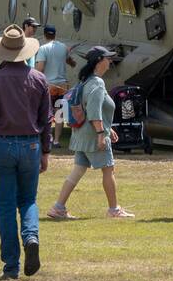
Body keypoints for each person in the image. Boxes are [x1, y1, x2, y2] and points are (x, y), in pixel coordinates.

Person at [0, 25, 52, 279]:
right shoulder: (39, 79)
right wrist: (46, 151)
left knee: (5, 207)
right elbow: (46, 119)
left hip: (3, 145)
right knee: (28, 201)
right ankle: (31, 238)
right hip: (30, 144)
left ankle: (11, 266)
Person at [48, 47, 135, 220]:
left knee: (78, 170)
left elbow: (92, 110)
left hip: (82, 134)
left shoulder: (85, 81)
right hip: (93, 135)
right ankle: (114, 210)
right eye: (108, 59)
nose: (110, 63)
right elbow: (94, 111)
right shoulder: (97, 83)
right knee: (108, 170)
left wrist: (109, 128)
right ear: (99, 61)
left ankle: (58, 208)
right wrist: (102, 133)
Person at [34, 25, 72, 147]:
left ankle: (46, 138)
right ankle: (56, 141)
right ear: (55, 34)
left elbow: (40, 68)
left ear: (45, 35)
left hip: (48, 86)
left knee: (45, 113)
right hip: (62, 86)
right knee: (58, 114)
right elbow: (71, 62)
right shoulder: (63, 48)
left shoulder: (43, 49)